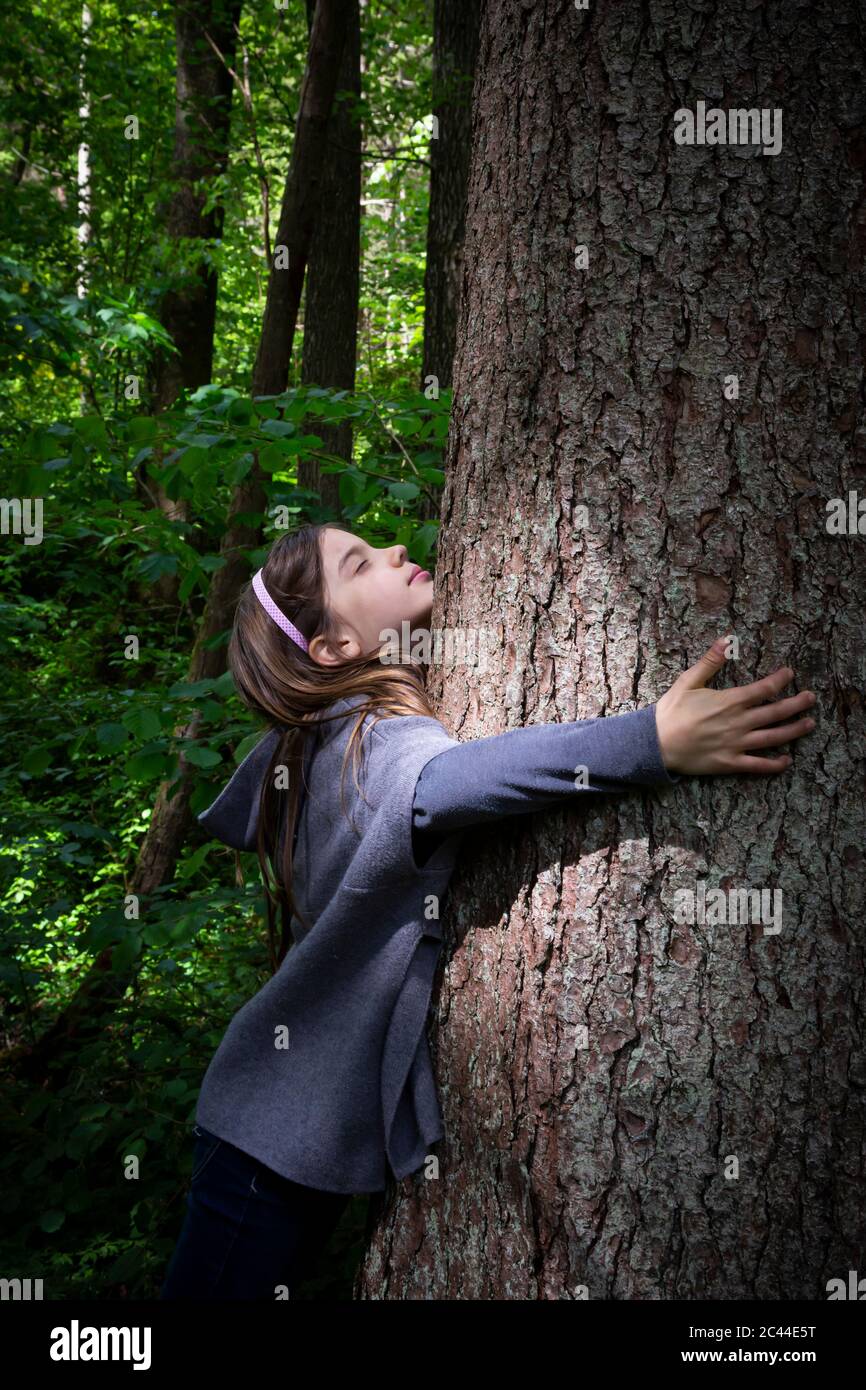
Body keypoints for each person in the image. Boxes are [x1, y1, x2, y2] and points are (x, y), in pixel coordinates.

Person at [159, 521, 817, 1299]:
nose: (395, 551)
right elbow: (456, 781)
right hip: (267, 1142)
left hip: (276, 1133)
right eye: (360, 562)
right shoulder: (358, 740)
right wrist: (654, 740)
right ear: (332, 647)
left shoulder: (319, 745)